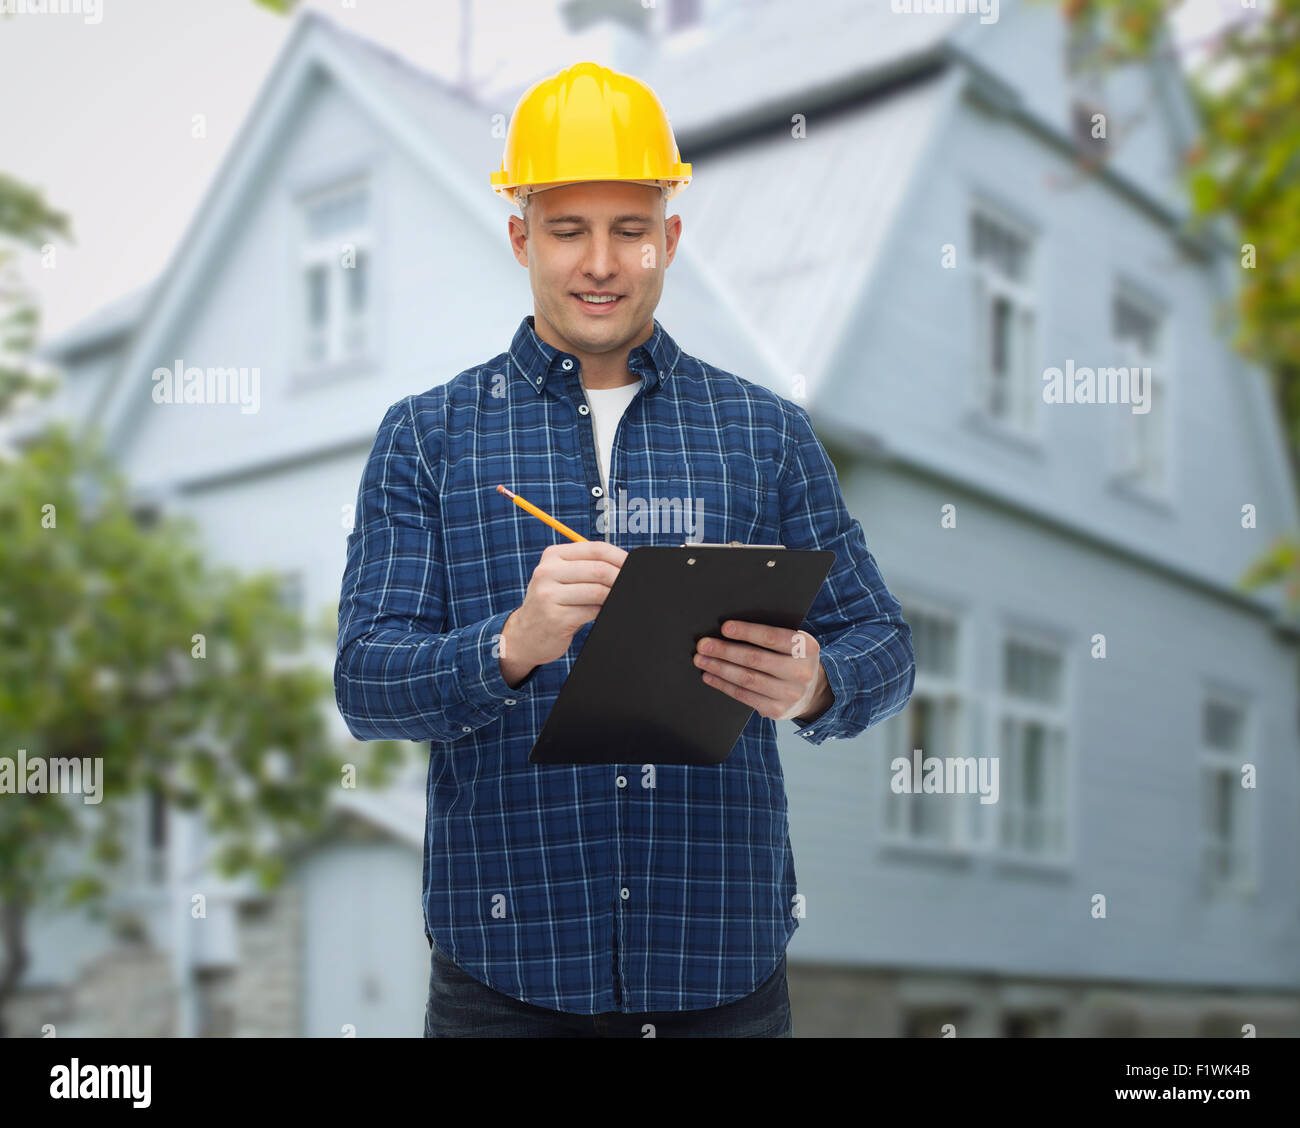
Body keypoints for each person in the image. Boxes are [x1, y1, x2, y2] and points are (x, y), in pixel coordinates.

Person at [334, 61, 915, 1038]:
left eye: (629, 229)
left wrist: (816, 682)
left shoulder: (765, 434)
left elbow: (885, 646)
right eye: (567, 230)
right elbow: (366, 683)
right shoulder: (428, 437)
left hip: (718, 966)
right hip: (503, 975)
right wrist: (508, 643)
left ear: (669, 239)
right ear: (520, 236)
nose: (599, 262)